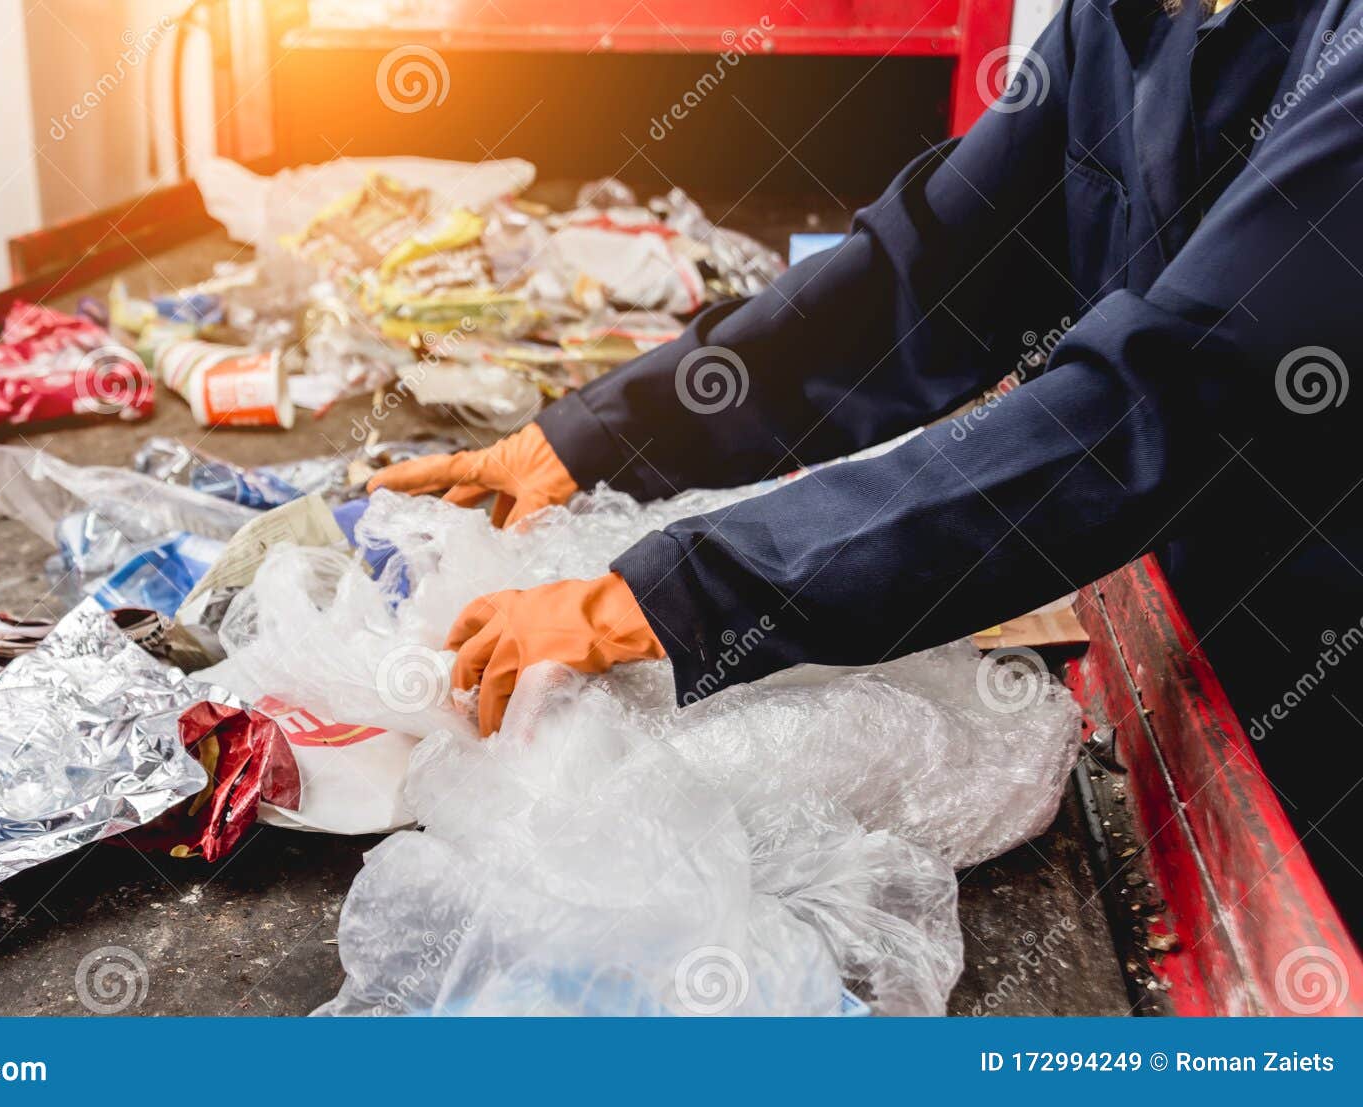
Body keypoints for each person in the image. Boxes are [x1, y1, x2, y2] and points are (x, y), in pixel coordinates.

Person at [371, 0, 1363, 924]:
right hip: (1194, 641)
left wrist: (682, 591)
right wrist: (596, 435)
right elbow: (926, 271)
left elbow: (1161, 397)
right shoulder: (1127, 15)